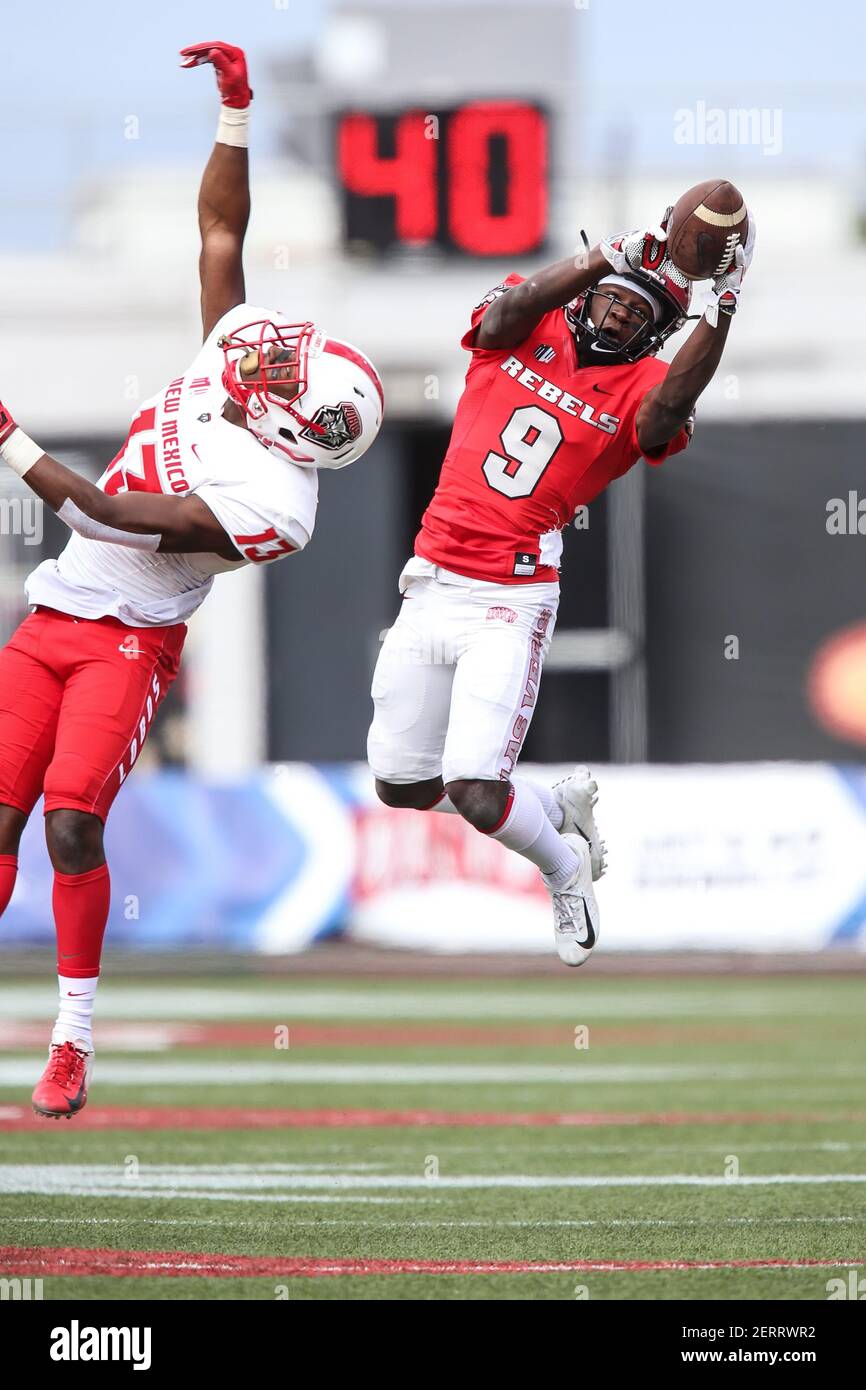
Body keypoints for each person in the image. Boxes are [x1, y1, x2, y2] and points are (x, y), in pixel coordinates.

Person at [0, 42, 383, 1119]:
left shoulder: (277, 506)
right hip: (53, 617)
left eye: (287, 377)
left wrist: (6, 433)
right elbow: (222, 231)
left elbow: (111, 512)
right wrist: (237, 111)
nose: (268, 354)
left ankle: (72, 1040)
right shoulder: (242, 359)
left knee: (71, 822)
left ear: (293, 428)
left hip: (128, 637)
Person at [368, 209, 754, 965]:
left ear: (655, 333)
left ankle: (564, 866)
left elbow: (667, 413)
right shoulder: (527, 317)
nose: (616, 311)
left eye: (636, 311)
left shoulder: (644, 384)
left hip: (509, 598)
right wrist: (603, 257)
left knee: (478, 789)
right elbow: (507, 309)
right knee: (400, 786)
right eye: (611, 295)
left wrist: (725, 306)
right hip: (431, 582)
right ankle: (553, 809)